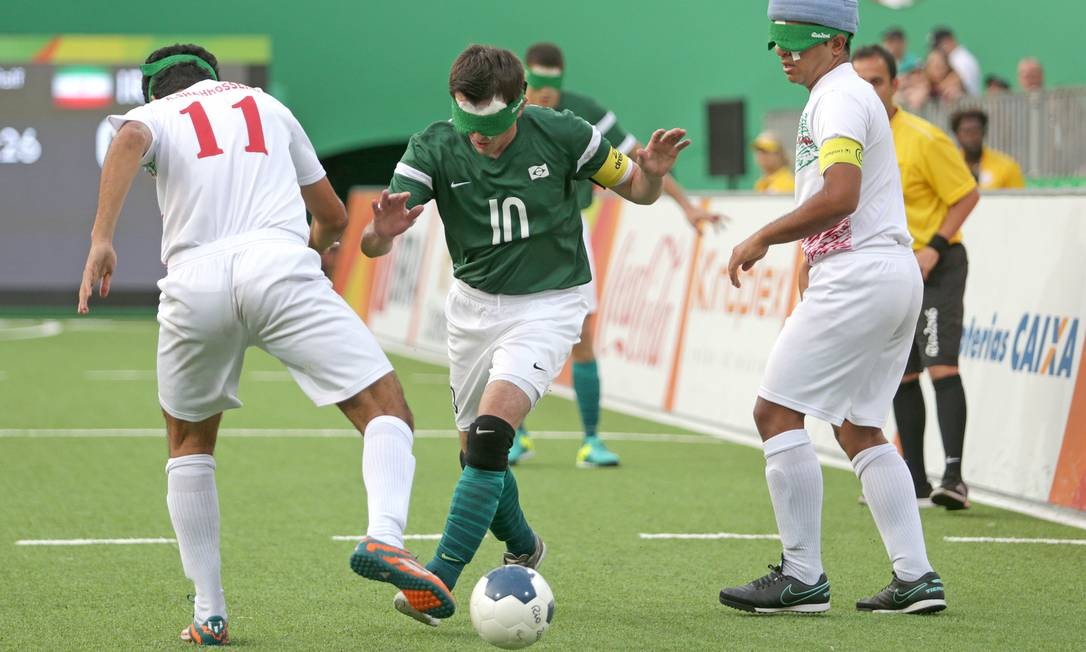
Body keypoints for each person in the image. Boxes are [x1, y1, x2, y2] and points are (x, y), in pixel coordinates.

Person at [77, 43, 447, 645]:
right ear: (214, 78)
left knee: (189, 443)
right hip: (279, 267)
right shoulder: (267, 106)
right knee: (385, 408)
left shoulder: (158, 114)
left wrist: (101, 239)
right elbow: (332, 215)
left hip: (194, 284)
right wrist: (310, 252)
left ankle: (209, 613)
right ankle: (385, 535)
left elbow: (127, 142)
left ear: (154, 91)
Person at [361, 44, 690, 625]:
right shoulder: (433, 146)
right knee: (473, 454)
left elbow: (638, 190)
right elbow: (371, 245)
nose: (479, 139)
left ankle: (438, 579)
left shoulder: (566, 133)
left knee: (491, 437)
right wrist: (380, 235)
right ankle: (524, 544)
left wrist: (656, 176)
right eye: (468, 124)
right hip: (471, 309)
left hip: (550, 303)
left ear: (519, 104)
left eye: (490, 129)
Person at [719, 1, 944, 616]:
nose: (783, 51)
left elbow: (841, 195)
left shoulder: (838, 97)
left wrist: (764, 236)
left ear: (838, 42)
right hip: (889, 272)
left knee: (774, 412)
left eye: (797, 39)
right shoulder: (841, 94)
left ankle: (802, 577)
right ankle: (916, 577)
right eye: (777, 40)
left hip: (860, 274)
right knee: (858, 426)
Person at [510, 41, 721, 468]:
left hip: (570, 234)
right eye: (538, 81)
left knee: (583, 335)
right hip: (515, 237)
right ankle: (515, 435)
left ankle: (591, 440)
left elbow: (641, 159)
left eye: (553, 82)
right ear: (525, 80)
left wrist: (686, 206)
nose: (546, 91)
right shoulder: (507, 116)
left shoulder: (582, 112)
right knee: (511, 335)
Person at [852, 44, 980, 511]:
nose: (868, 91)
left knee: (941, 366)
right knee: (901, 375)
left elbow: (966, 195)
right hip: (888, 271)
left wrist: (934, 247)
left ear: (895, 84)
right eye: (859, 82)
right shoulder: (849, 139)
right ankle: (915, 480)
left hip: (936, 265)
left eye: (877, 81)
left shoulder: (924, 139)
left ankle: (954, 478)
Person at [951, 108, 1026, 189]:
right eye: (966, 131)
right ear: (957, 135)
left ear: (983, 132)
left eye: (976, 130)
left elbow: (1018, 195)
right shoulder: (951, 166)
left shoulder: (1007, 166)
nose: (972, 135)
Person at [931, 26, 982, 96]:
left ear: (948, 41)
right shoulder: (958, 56)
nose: (937, 50)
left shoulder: (961, 58)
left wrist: (930, 89)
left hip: (969, 101)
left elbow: (957, 79)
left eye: (937, 46)